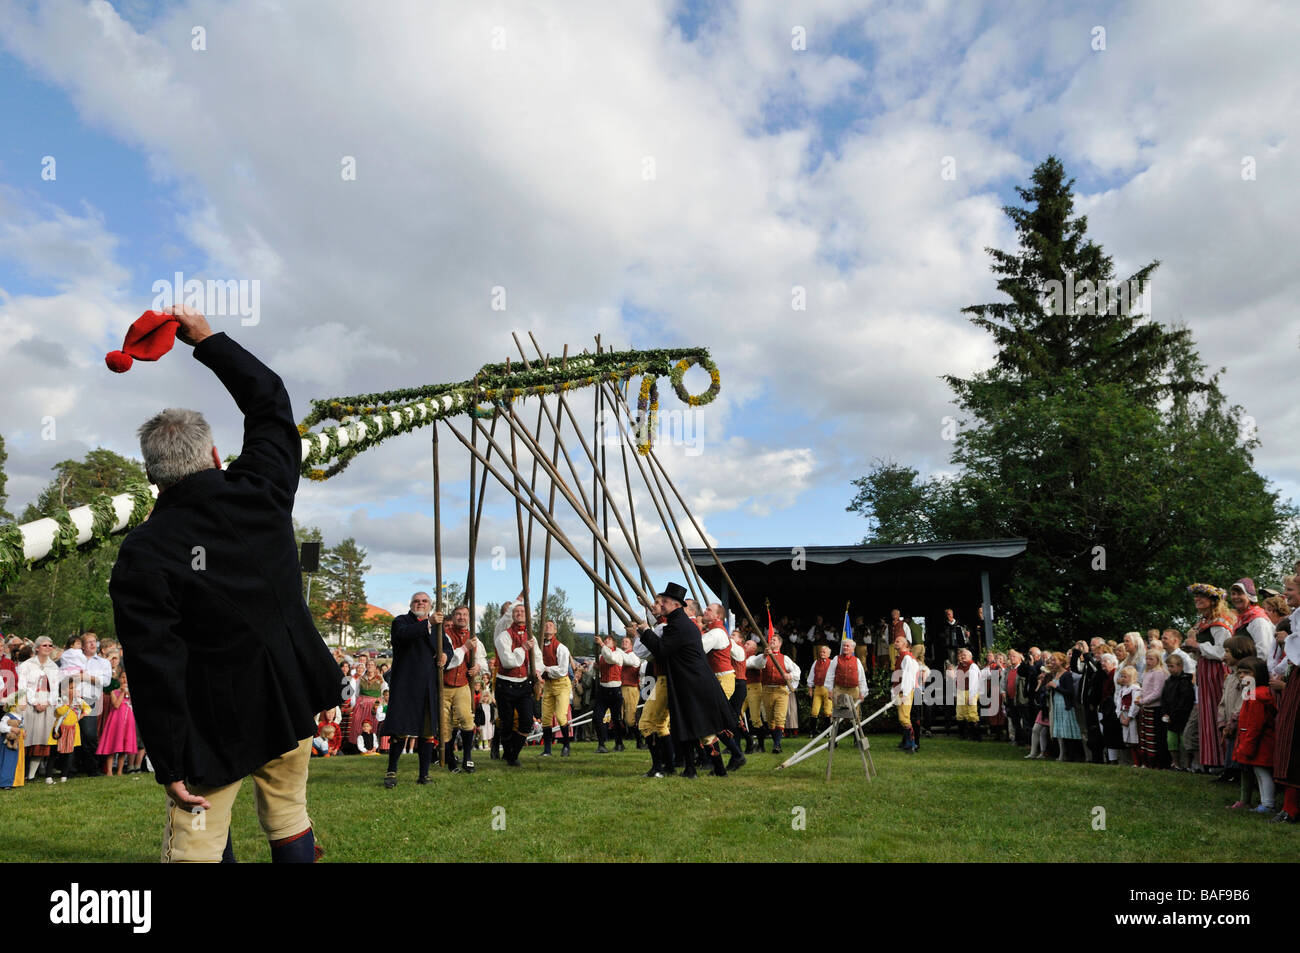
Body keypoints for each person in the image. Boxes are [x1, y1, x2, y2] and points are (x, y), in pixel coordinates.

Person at [109, 308, 342, 862]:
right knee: (288, 818)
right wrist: (206, 339)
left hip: (213, 725)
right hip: (288, 699)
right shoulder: (260, 489)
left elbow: (154, 665)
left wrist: (168, 760)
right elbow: (271, 403)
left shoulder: (143, 552)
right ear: (214, 455)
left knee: (195, 850)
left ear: (152, 476)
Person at [628, 583, 737, 778]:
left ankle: (681, 768)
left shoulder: (677, 626)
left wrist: (644, 632)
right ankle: (700, 769)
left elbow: (661, 650)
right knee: (693, 727)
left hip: (691, 682)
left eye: (665, 602)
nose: (661, 605)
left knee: (694, 726)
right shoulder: (680, 623)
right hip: (691, 680)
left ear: (676, 605)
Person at [383, 594, 454, 785]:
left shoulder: (438, 629)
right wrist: (428, 623)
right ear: (410, 604)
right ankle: (391, 771)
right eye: (416, 600)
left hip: (428, 685)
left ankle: (424, 774)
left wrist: (445, 656)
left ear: (430, 605)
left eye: (424, 601)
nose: (420, 603)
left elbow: (448, 648)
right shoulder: (401, 621)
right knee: (400, 729)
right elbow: (403, 636)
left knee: (427, 731)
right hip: (405, 684)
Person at [1185, 583, 1236, 771]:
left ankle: (1223, 761)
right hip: (1206, 671)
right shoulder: (1204, 623)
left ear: (1213, 601)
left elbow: (1223, 651)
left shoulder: (1219, 624)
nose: (1197, 599)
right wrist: (1194, 649)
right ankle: (1214, 760)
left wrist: (1198, 647)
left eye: (1202, 597)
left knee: (1218, 713)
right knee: (1208, 714)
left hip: (1217, 672)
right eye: (1196, 596)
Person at [492, 596, 541, 767]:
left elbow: (538, 658)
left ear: (527, 616)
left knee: (527, 722)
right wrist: (523, 649)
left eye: (522, 611)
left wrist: (538, 670)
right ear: (512, 615)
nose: (519, 614)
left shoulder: (531, 636)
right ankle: (510, 756)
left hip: (523, 685)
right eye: (516, 612)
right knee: (506, 724)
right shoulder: (503, 636)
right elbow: (508, 662)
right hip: (505, 684)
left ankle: (512, 753)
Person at [58, 632, 112, 778]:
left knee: (89, 734)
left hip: (89, 700)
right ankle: (70, 768)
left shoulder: (103, 662)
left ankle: (92, 768)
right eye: (89, 642)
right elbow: (62, 674)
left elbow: (106, 681)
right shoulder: (74, 658)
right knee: (71, 732)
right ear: (82, 645)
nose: (93, 644)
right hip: (71, 699)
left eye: (95, 641)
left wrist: (85, 677)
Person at [441, 605, 484, 773]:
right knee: (445, 725)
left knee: (467, 719)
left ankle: (468, 757)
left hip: (462, 685)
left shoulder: (473, 638)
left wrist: (478, 666)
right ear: (453, 617)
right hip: (443, 685)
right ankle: (451, 760)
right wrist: (465, 647)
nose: (461, 617)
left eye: (465, 615)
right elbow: (448, 661)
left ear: (469, 618)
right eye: (458, 614)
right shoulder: (444, 635)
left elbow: (482, 658)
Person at [1232, 656, 1277, 815]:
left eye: (1246, 672)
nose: (1242, 676)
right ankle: (1265, 803)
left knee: (1262, 772)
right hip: (1257, 741)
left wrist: (1247, 747)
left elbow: (1255, 725)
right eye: (1240, 673)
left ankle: (1268, 804)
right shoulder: (1253, 693)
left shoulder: (1257, 696)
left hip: (1260, 743)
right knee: (1259, 772)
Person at [746, 632, 800, 754]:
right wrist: (765, 656)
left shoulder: (785, 658)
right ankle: (776, 742)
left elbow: (798, 672)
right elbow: (757, 664)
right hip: (766, 690)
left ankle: (777, 745)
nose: (772, 641)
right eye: (771, 639)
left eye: (775, 640)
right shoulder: (763, 657)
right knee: (770, 719)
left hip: (781, 690)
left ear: (780, 644)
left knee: (780, 718)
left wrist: (789, 675)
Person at [17, 636, 59, 783]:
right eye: (44, 645)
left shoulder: (53, 667)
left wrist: (48, 703)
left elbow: (55, 688)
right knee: (26, 739)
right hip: (29, 704)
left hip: (46, 705)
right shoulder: (27, 665)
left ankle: (32, 774)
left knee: (42, 739)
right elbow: (23, 686)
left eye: (50, 645)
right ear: (37, 648)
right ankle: (20, 772)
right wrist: (34, 702)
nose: (48, 648)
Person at [537, 620, 573, 758]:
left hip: (562, 683)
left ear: (555, 630)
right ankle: (547, 750)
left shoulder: (561, 648)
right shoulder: (540, 647)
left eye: (550, 625)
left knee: (560, 715)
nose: (547, 626)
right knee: (545, 718)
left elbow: (562, 670)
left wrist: (545, 669)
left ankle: (566, 745)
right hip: (548, 684)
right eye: (545, 625)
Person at [96, 668, 137, 776]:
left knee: (124, 747)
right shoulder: (114, 691)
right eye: (123, 677)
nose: (125, 680)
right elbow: (116, 705)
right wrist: (123, 692)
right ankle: (109, 771)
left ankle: (119, 771)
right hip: (116, 721)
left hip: (128, 721)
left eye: (127, 678)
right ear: (119, 679)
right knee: (113, 746)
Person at [1160, 655, 1195, 771]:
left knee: (1185, 742)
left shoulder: (1185, 681)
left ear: (1180, 666)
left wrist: (1174, 715)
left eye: (1172, 666)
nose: (1170, 669)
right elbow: (1164, 698)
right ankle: (1175, 763)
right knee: (1171, 741)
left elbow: (1185, 701)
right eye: (1168, 666)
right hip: (1169, 716)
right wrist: (1165, 713)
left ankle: (1187, 764)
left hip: (1182, 716)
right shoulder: (1168, 681)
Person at [593, 635, 627, 754]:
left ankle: (619, 743)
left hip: (615, 690)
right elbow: (599, 668)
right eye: (605, 640)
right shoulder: (601, 656)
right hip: (603, 690)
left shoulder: (618, 653)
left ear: (614, 644)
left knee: (616, 719)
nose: (606, 641)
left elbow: (611, 658)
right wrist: (596, 668)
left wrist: (602, 644)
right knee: (597, 717)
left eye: (609, 640)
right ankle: (601, 744)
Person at [1136, 651, 1169, 768]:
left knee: (1154, 737)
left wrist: (1143, 701)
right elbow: (1145, 689)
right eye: (1147, 659)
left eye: (1151, 659)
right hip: (1146, 708)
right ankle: (1146, 761)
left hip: (1155, 709)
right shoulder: (1147, 672)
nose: (1148, 661)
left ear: (1158, 660)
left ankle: (1156, 762)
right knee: (1145, 736)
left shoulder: (1159, 673)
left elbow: (1157, 692)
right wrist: (1140, 697)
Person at [892, 634, 920, 753]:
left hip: (905, 691)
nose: (895, 643)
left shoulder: (907, 658)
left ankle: (911, 744)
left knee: (904, 718)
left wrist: (905, 693)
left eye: (898, 641)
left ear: (904, 644)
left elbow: (908, 677)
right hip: (901, 690)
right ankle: (907, 743)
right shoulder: (902, 657)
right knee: (903, 717)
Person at [619, 636, 643, 749]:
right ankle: (620, 743)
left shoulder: (633, 656)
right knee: (620, 716)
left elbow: (627, 661)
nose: (624, 643)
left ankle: (639, 741)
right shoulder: (621, 655)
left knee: (630, 718)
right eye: (623, 641)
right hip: (621, 687)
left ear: (631, 645)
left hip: (630, 688)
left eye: (627, 642)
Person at [806, 644, 834, 737]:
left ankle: (827, 732)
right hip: (818, 688)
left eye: (824, 652)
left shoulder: (832, 663)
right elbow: (811, 675)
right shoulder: (816, 662)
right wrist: (810, 688)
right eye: (821, 652)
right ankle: (812, 732)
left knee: (828, 711)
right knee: (814, 711)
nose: (822, 653)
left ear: (828, 654)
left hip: (828, 689)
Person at [954, 649, 982, 740]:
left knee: (972, 713)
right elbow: (955, 681)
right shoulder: (958, 667)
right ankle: (963, 735)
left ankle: (976, 735)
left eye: (964, 655)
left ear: (970, 656)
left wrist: (971, 696)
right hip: (960, 692)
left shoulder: (973, 666)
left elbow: (974, 683)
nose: (962, 656)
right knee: (960, 714)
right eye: (961, 655)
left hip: (970, 691)